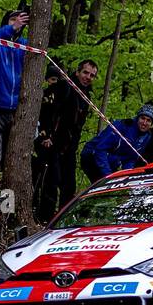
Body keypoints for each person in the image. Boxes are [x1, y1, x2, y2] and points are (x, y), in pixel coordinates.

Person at [33, 58, 98, 221]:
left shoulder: (86, 96)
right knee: (51, 183)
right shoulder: (64, 87)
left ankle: (64, 219)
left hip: (69, 147)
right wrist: (46, 135)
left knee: (69, 186)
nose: (88, 77)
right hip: (52, 143)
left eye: (92, 75)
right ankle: (45, 219)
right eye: (85, 72)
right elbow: (48, 112)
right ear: (77, 72)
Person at [0, 9, 30, 183]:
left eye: (20, 19)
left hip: (17, 110)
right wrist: (11, 28)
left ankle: (4, 206)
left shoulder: (24, 45)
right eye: (12, 19)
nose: (16, 22)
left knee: (11, 163)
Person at [80, 103, 153, 181]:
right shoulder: (122, 126)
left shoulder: (147, 136)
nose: (144, 123)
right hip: (92, 155)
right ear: (138, 118)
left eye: (148, 120)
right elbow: (100, 149)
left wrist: (127, 176)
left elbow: (131, 159)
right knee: (103, 185)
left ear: (151, 124)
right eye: (142, 118)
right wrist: (108, 175)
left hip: (111, 161)